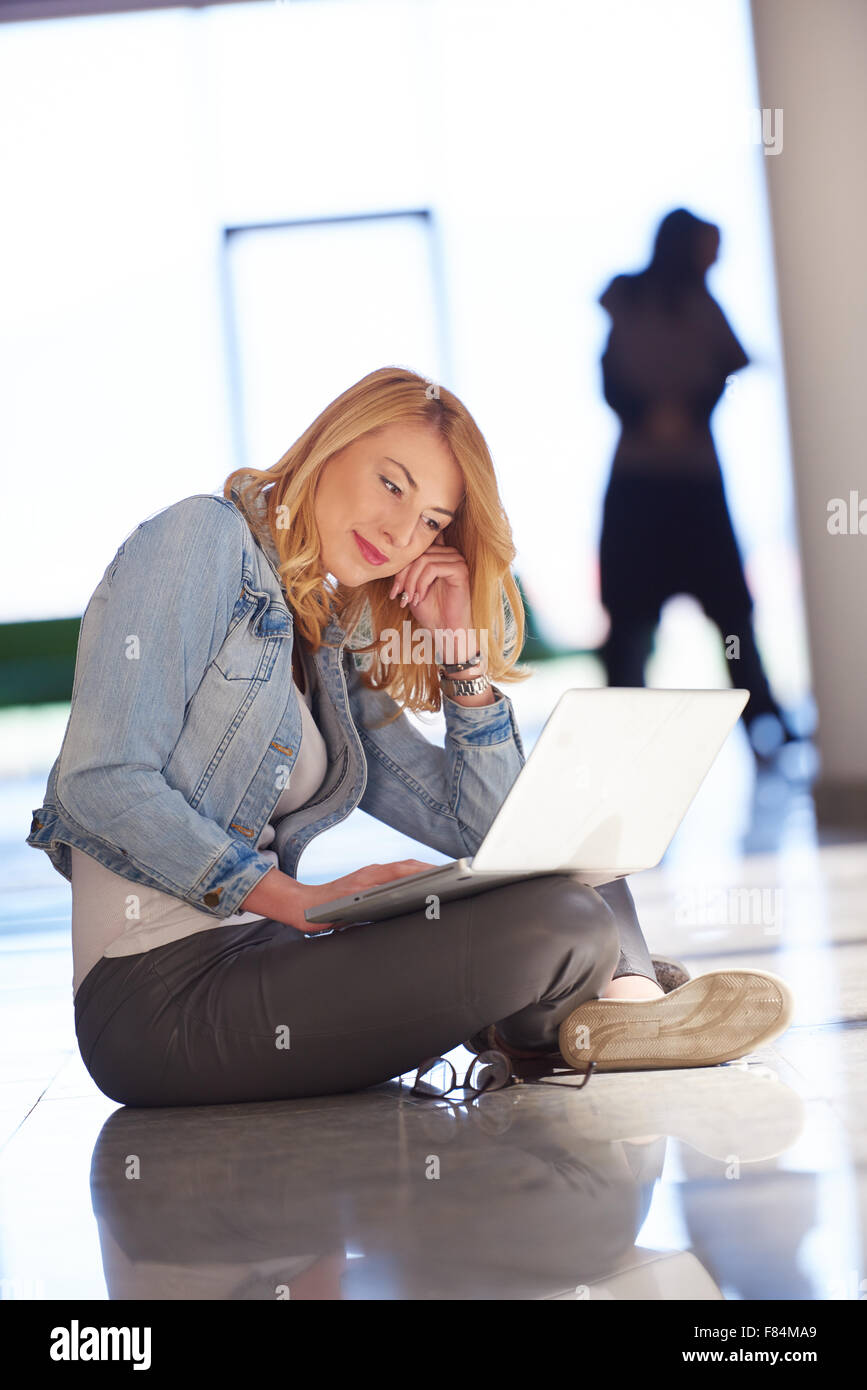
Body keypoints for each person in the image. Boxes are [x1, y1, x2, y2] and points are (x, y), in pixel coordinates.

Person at [26, 366, 793, 1106]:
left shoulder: (325, 637)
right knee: (564, 924)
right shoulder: (198, 538)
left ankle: (616, 1006)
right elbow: (100, 781)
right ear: (330, 445)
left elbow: (493, 833)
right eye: (391, 483)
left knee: (577, 852)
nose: (401, 532)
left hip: (264, 963)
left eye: (430, 520)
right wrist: (294, 898)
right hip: (158, 1002)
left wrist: (461, 659)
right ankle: (585, 1002)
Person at [597, 208, 800, 762]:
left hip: (692, 481)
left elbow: (730, 365)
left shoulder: (702, 306)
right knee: (632, 618)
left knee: (731, 610)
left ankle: (762, 719)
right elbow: (612, 377)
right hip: (645, 484)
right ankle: (621, 732)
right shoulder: (630, 302)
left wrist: (689, 408)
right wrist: (653, 414)